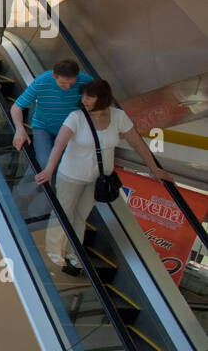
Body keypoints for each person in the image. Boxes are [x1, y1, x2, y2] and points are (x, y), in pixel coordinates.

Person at [34, 79, 169, 274]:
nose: (85, 100)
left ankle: (75, 255)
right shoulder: (76, 117)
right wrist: (48, 170)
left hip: (99, 178)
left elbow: (137, 143)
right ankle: (54, 252)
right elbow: (59, 145)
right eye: (84, 95)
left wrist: (154, 169)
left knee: (81, 215)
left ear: (102, 98)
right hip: (71, 175)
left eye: (90, 96)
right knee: (63, 213)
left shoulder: (118, 117)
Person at [11, 59, 94, 216]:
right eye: (63, 84)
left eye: (71, 83)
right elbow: (17, 106)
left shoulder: (86, 81)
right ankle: (20, 197)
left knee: (60, 168)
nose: (68, 87)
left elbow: (101, 99)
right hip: (44, 127)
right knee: (44, 161)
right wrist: (19, 129)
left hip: (70, 131)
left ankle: (48, 207)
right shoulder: (42, 81)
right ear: (54, 76)